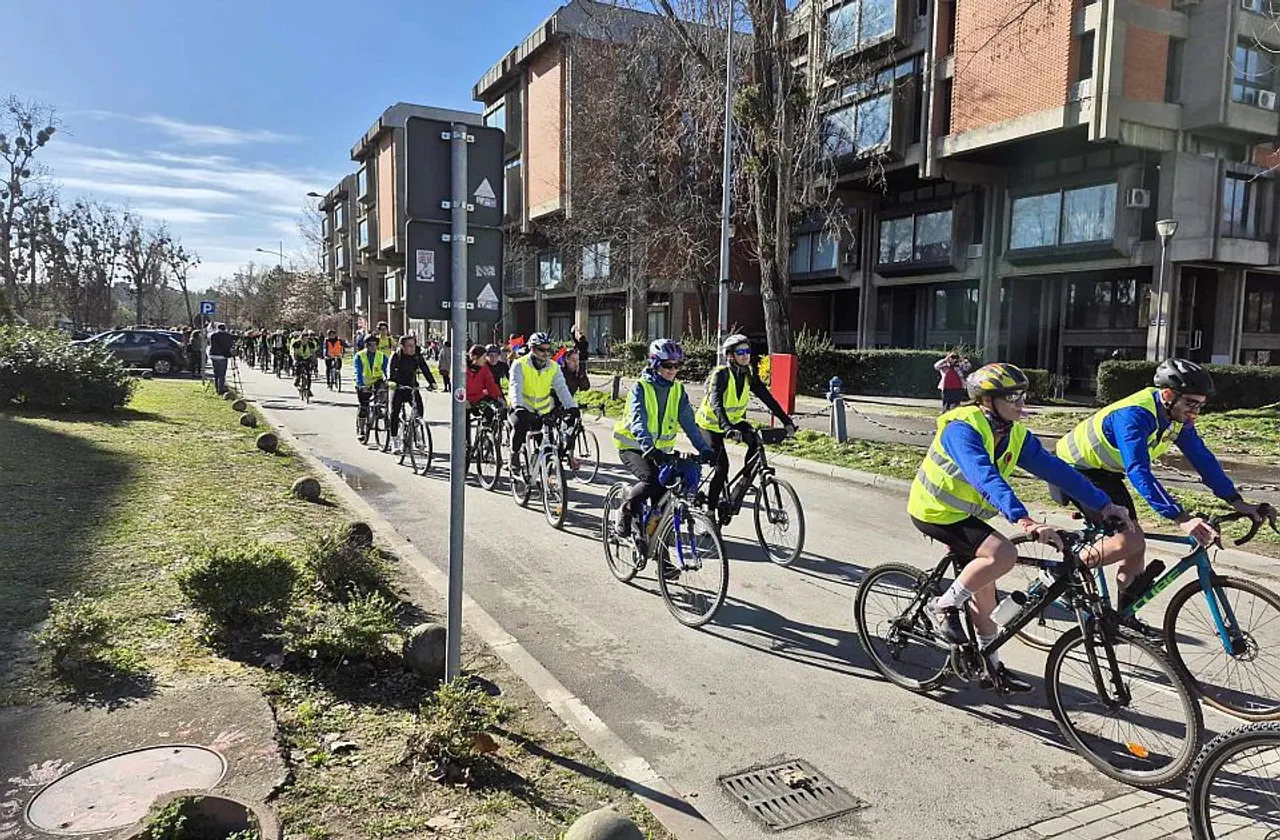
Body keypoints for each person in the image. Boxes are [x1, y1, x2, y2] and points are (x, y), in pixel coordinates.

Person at [908, 362, 1132, 694]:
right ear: (986, 400)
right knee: (1002, 553)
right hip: (935, 510)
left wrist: (1104, 504)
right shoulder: (962, 428)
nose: (1019, 403)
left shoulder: (1014, 434)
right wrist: (1023, 519)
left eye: (1022, 395)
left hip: (966, 514)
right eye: (1011, 396)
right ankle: (941, 605)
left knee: (985, 597)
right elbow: (984, 476)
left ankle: (991, 667)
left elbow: (1057, 471)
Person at [1054, 358, 1270, 633]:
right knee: (1128, 540)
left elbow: (1202, 459)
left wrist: (1237, 501)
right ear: (1168, 395)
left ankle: (1124, 620)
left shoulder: (1176, 417)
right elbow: (1139, 471)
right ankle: (1061, 574)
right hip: (1074, 469)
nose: (1196, 412)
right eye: (1191, 404)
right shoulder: (1134, 416)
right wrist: (1180, 517)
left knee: (1136, 545)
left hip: (1105, 471)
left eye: (1201, 405)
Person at [611, 339, 714, 541]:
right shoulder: (640, 388)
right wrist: (649, 448)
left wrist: (704, 449)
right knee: (650, 480)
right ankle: (625, 510)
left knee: (665, 504)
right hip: (634, 447)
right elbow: (638, 420)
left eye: (677, 365)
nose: (673, 370)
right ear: (655, 363)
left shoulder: (677, 390)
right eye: (668, 365)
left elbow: (690, 425)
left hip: (661, 452)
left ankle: (662, 561)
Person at [697, 334, 796, 524]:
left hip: (733, 422)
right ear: (731, 356)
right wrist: (726, 427)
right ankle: (709, 511)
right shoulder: (721, 374)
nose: (745, 356)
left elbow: (767, 397)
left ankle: (743, 483)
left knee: (756, 443)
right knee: (722, 467)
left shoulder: (748, 372)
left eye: (747, 351)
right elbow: (716, 403)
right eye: (740, 352)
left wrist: (786, 421)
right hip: (710, 424)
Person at [508, 331, 579, 472]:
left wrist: (572, 407)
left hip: (543, 410)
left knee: (547, 447)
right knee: (519, 428)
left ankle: (548, 480)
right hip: (522, 408)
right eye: (542, 349)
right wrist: (518, 406)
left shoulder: (553, 367)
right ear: (532, 349)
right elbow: (515, 387)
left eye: (549, 349)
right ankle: (514, 454)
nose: (546, 353)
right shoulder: (519, 365)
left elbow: (562, 389)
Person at [385, 334, 438, 454]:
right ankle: (394, 441)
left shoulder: (417, 356)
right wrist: (391, 381)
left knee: (419, 411)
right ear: (402, 346)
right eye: (409, 346)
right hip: (398, 387)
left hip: (411, 387)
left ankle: (416, 430)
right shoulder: (396, 356)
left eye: (413, 345)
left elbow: (425, 368)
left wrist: (432, 382)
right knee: (394, 412)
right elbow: (390, 369)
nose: (412, 348)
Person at [354, 335, 390, 441]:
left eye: (375, 345)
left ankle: (379, 414)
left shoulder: (382, 356)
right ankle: (361, 430)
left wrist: (388, 381)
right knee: (364, 407)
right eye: (370, 345)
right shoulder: (360, 356)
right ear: (366, 345)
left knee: (381, 402)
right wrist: (361, 385)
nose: (373, 347)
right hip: (364, 383)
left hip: (377, 382)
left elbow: (386, 371)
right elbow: (358, 372)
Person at [290, 330, 319, 395]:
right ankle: (297, 381)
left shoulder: (311, 344)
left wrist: (314, 361)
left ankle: (308, 390)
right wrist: (295, 360)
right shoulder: (297, 344)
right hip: (298, 357)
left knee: (308, 375)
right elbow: (294, 353)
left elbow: (313, 353)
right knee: (298, 371)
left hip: (307, 358)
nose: (305, 340)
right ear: (301, 338)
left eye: (307, 339)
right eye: (304, 339)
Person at [208, 323, 234, 394]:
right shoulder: (227, 335)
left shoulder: (213, 335)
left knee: (216, 373)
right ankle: (221, 389)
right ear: (225, 328)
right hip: (223, 356)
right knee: (222, 374)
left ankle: (217, 388)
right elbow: (233, 340)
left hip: (213, 355)